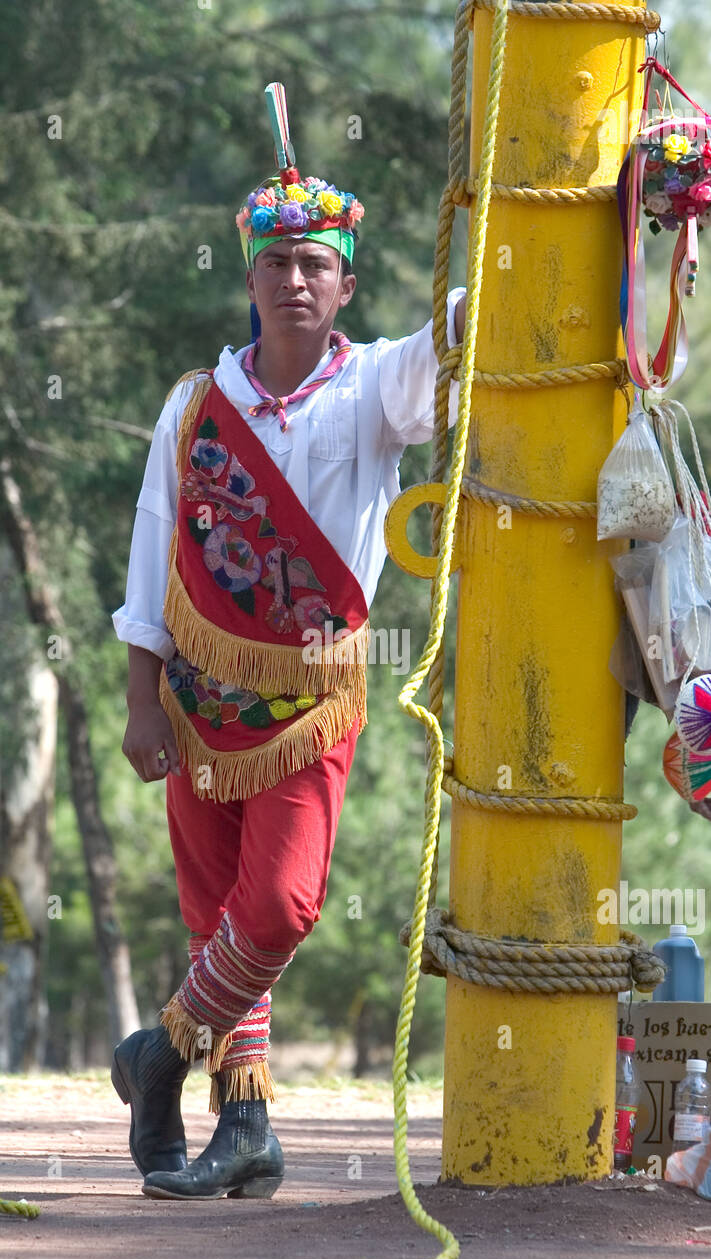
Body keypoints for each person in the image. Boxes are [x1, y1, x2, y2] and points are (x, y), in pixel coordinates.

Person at [111, 105, 466, 1200]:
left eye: (317, 263)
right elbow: (148, 559)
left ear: (346, 285)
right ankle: (245, 1128)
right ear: (250, 279)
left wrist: (505, 228)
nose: (296, 280)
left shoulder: (373, 393)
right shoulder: (193, 408)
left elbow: (460, 330)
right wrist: (139, 700)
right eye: (277, 262)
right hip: (193, 696)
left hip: (308, 706)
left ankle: (158, 1054)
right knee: (217, 913)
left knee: (280, 904)